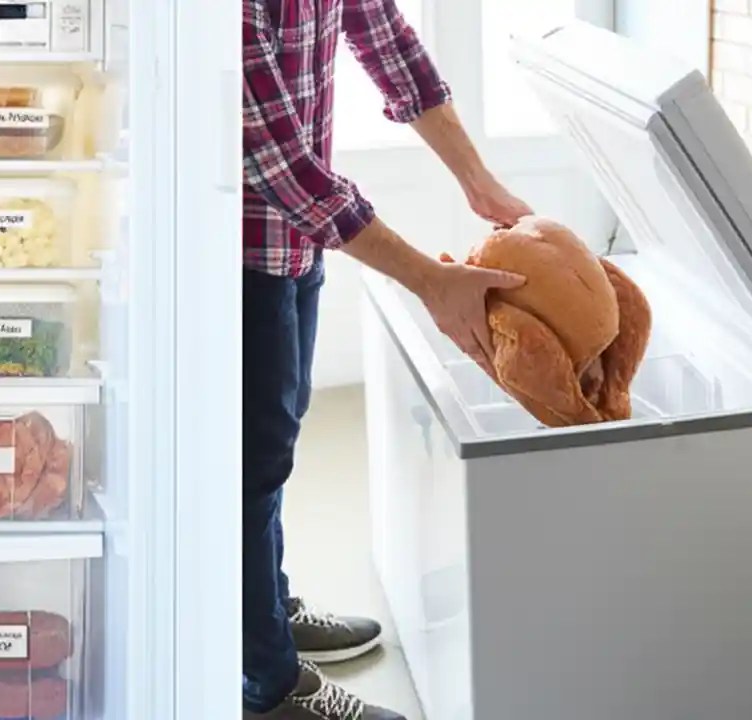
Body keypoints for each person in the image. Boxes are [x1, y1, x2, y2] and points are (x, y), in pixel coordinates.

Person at [241, 0, 534, 718]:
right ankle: (267, 684)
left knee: (273, 449)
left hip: (295, 246)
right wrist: (431, 282)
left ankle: (267, 614)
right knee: (247, 471)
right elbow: (281, 167)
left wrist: (479, 181)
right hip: (236, 257)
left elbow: (389, 43)